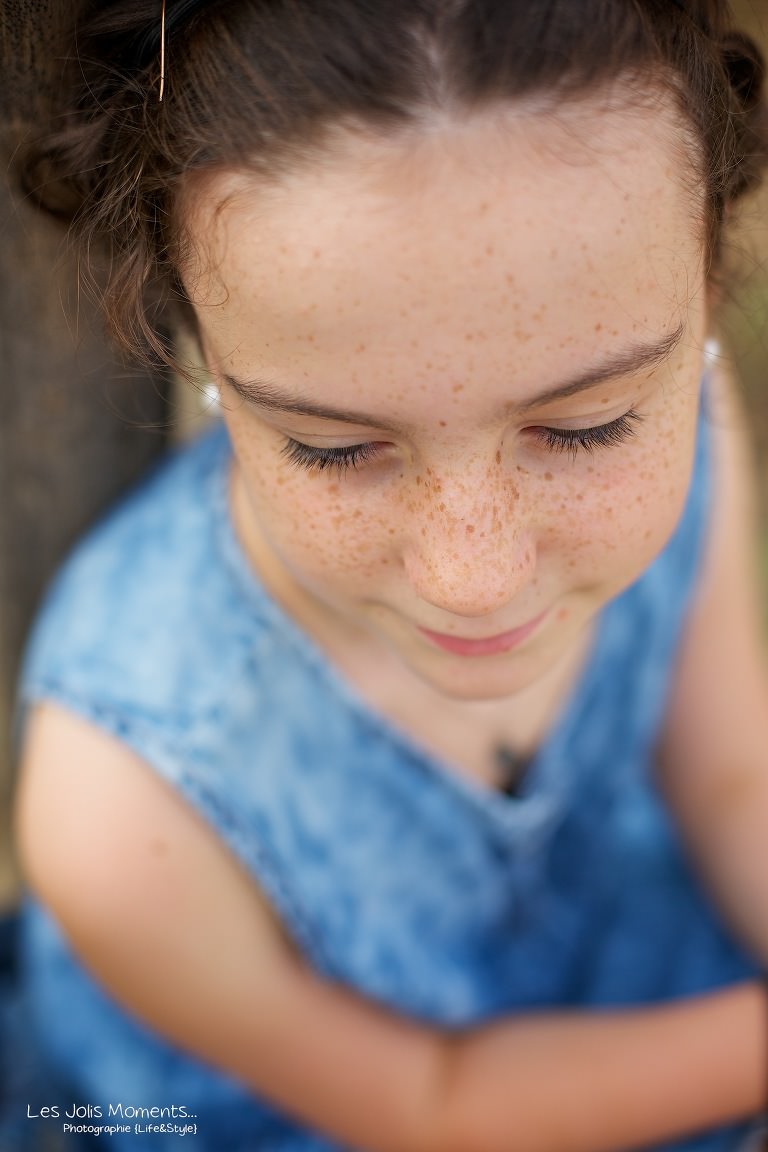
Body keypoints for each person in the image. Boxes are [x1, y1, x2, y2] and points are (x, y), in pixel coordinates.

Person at [10, 0, 768, 1149]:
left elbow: (730, 780)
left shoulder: (696, 412)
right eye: (332, 445)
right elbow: (431, 1107)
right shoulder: (123, 803)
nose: (474, 574)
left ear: (704, 290)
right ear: (201, 340)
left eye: (592, 426)